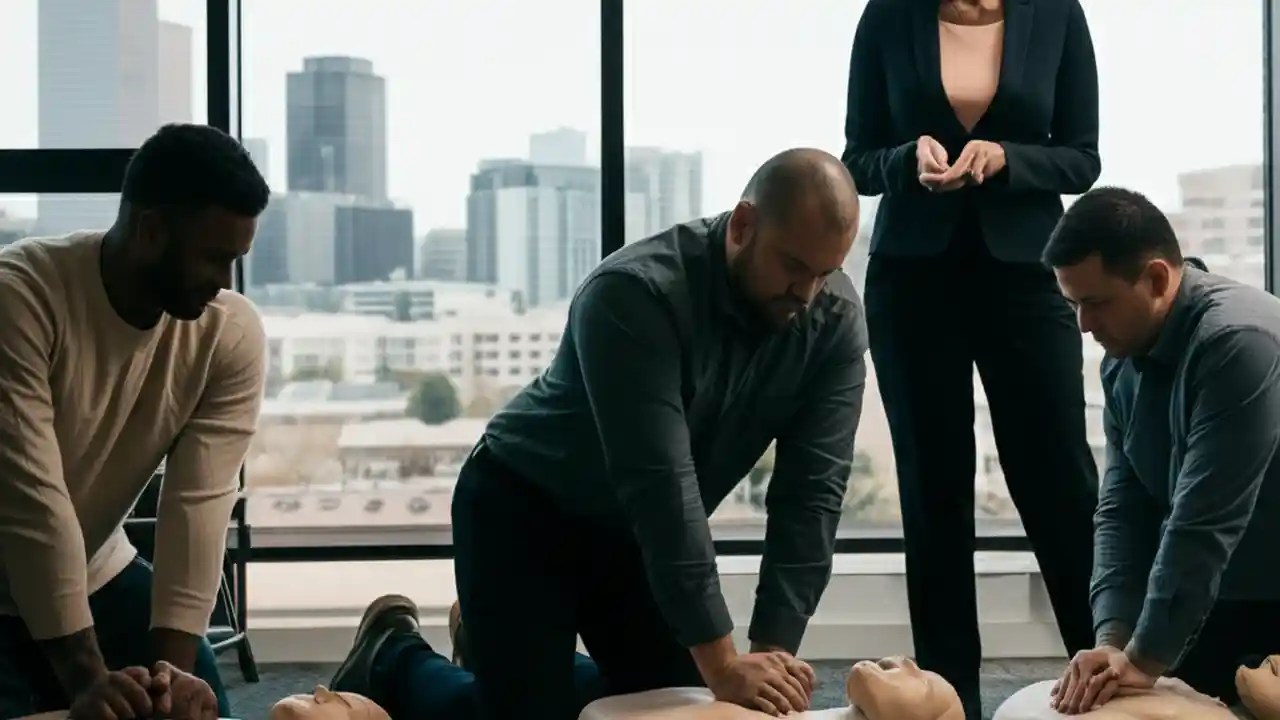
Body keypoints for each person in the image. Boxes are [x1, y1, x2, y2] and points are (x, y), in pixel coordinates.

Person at [330, 148, 869, 719]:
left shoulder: (834, 320)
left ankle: (502, 646)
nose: (808, 294)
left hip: (630, 541)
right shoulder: (632, 296)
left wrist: (769, 663)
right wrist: (726, 667)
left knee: (678, 708)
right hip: (523, 511)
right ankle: (393, 656)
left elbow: (810, 498)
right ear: (742, 227)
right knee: (529, 715)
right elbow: (664, 492)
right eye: (792, 267)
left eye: (825, 273)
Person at [841, 0, 1101, 715]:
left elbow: (1082, 156)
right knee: (933, 490)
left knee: (1058, 479)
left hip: (1025, 272)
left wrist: (1009, 158)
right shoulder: (890, 15)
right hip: (911, 278)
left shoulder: (1056, 14)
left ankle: (1110, 671)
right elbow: (857, 157)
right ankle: (949, 698)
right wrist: (905, 158)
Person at [0, 124, 271, 720]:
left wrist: (169, 676)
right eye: (213, 258)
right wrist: (87, 681)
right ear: (151, 231)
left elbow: (198, 506)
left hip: (98, 568)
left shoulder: (227, 332)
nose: (225, 282)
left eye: (236, 260)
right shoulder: (20, 299)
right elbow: (30, 507)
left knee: (197, 711)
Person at [1040, 187, 1280, 714]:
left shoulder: (1239, 340)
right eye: (1072, 304)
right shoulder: (1120, 360)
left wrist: (1145, 658)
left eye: (1096, 302)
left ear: (1155, 278)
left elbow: (1203, 521)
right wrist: (1112, 639)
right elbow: (1122, 511)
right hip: (1221, 597)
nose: (1083, 325)